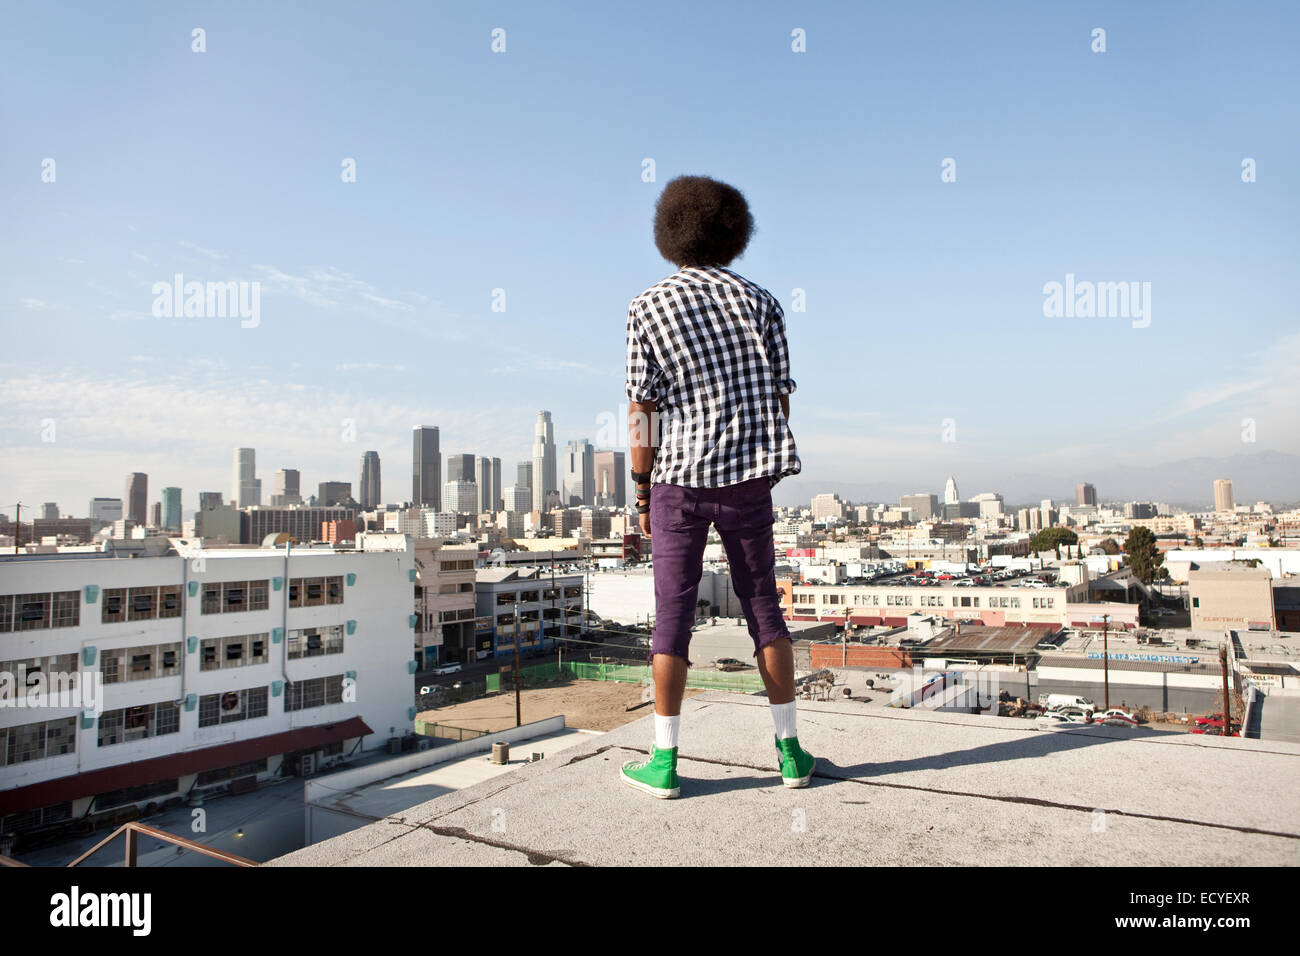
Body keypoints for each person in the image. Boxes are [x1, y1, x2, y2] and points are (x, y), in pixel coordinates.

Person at [619, 174, 814, 799]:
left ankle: (665, 762)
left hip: (677, 480)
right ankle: (789, 754)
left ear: (669, 231)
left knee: (672, 620)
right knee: (764, 610)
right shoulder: (762, 303)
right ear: (735, 231)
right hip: (749, 482)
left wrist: (642, 489)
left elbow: (643, 411)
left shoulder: (647, 306)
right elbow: (780, 402)